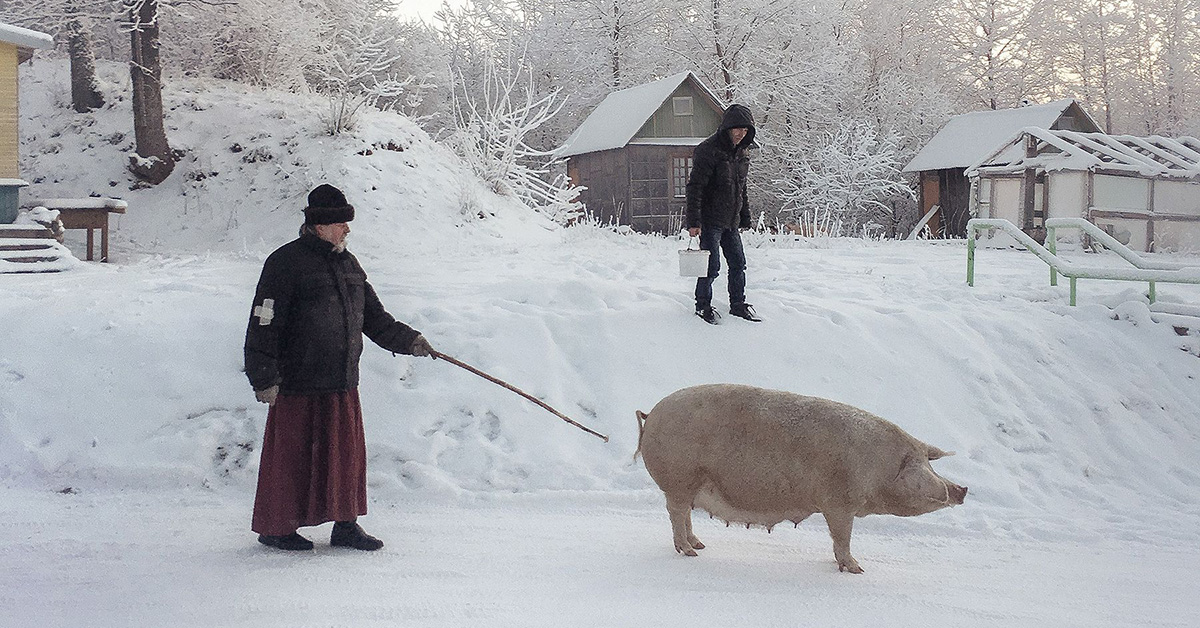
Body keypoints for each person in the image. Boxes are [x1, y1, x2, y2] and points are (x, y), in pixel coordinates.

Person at [244, 183, 434, 552]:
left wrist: (410, 341)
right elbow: (263, 322)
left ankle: (345, 526)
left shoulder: (349, 265)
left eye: (348, 222)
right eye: (341, 223)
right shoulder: (284, 263)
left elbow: (376, 319)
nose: (347, 229)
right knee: (292, 459)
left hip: (341, 380)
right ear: (319, 225)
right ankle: (276, 528)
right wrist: (263, 376)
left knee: (345, 460)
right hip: (298, 382)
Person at [685, 103, 761, 325]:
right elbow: (695, 187)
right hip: (710, 220)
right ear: (727, 127)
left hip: (731, 221)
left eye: (746, 130)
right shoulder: (708, 150)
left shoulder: (742, 153)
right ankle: (703, 306)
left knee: (738, 264)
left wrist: (744, 216)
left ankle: (738, 304)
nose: (741, 134)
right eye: (737, 129)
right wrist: (694, 221)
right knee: (711, 266)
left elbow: (741, 187)